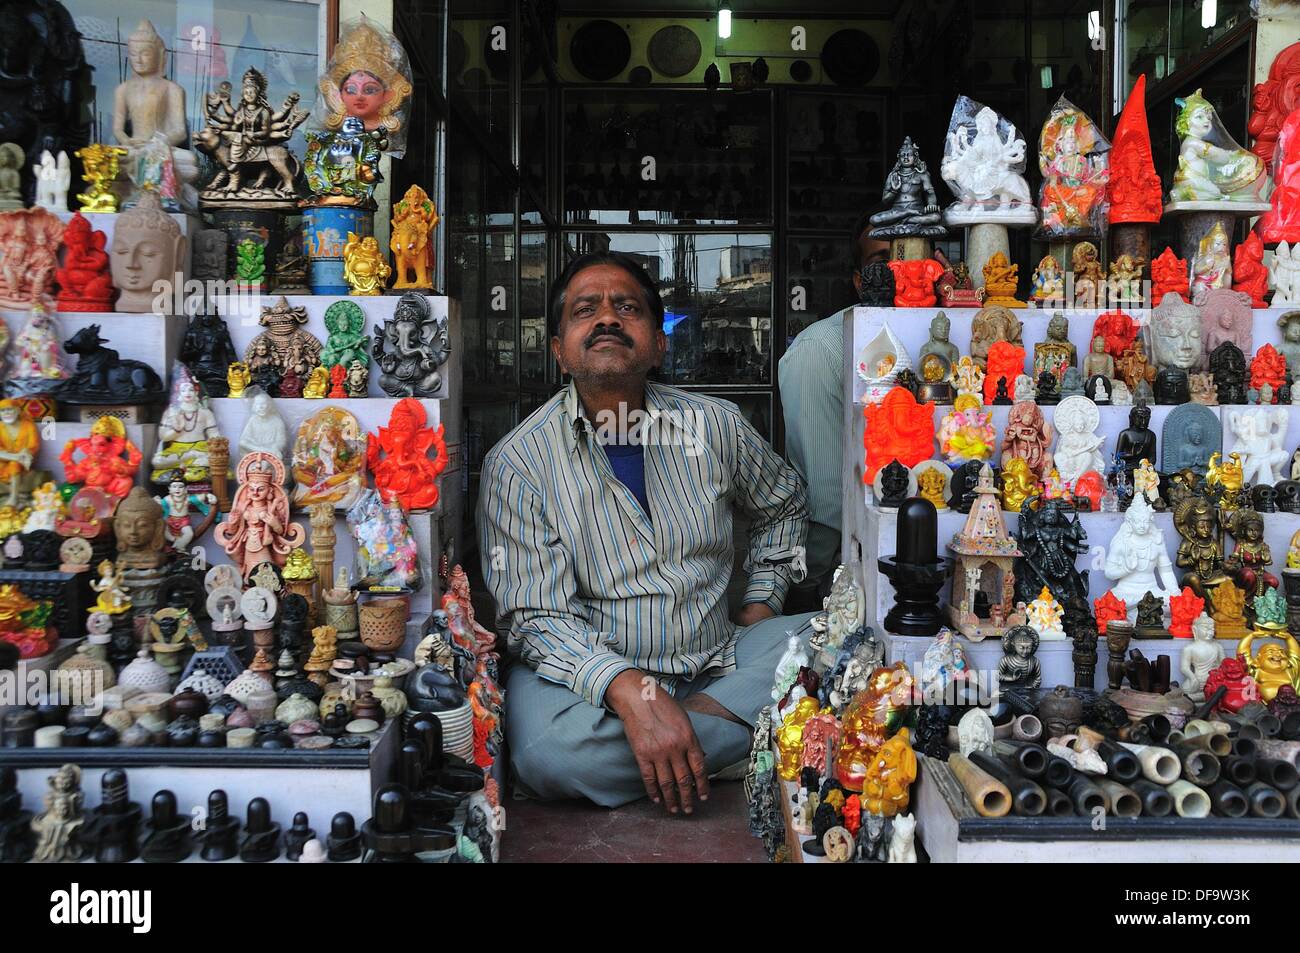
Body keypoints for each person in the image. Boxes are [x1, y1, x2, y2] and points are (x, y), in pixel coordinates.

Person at [480, 251, 811, 812]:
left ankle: (682, 735)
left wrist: (762, 602)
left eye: (626, 307)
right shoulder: (518, 464)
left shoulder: (715, 426)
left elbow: (783, 502)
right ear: (559, 351)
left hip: (718, 662)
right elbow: (535, 615)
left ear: (659, 344)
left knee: (848, 644)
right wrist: (629, 689)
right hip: (592, 689)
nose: (607, 318)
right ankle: (744, 739)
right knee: (547, 750)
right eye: (586, 310)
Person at [778, 211, 889, 610]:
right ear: (859, 280)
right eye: (883, 260)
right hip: (846, 568)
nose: (901, 271)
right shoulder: (820, 352)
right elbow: (826, 498)